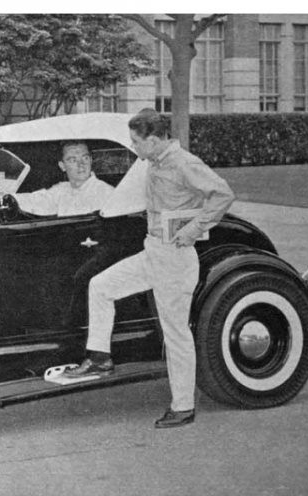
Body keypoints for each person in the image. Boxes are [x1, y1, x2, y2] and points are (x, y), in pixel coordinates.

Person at [64, 109, 235, 430]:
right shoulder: (153, 161)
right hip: (153, 251)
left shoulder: (184, 163)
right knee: (100, 286)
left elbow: (223, 194)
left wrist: (195, 228)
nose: (134, 147)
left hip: (175, 259)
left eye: (137, 142)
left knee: (175, 334)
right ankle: (100, 358)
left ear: (154, 140)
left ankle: (183, 407)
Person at [0, 141, 114, 217]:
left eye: (85, 158)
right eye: (73, 160)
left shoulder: (105, 192)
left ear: (91, 160)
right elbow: (36, 200)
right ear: (62, 166)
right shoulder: (62, 189)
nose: (81, 164)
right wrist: (2, 197)